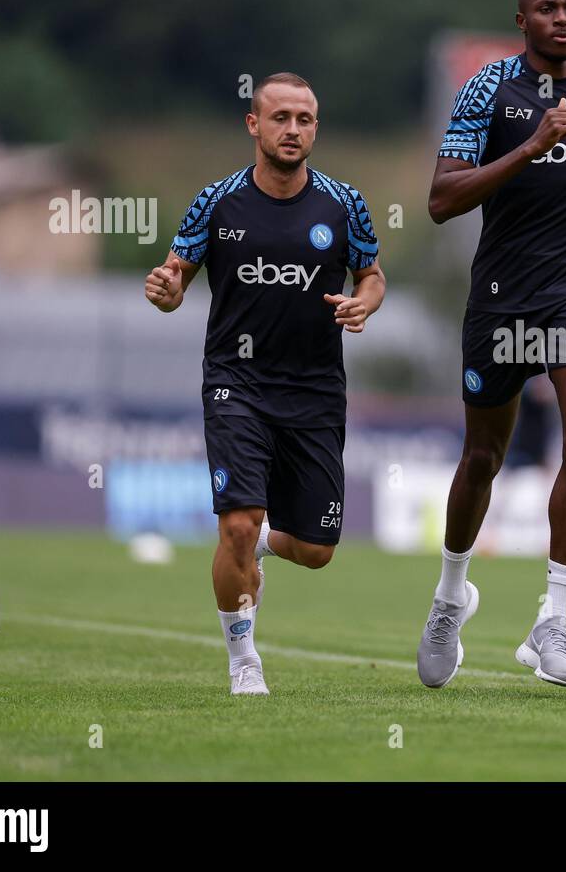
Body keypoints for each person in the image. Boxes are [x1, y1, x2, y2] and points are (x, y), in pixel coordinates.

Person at [417, 0, 566, 690]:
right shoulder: (490, 89)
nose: (563, 19)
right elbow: (442, 199)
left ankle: (553, 621)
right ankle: (452, 595)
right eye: (547, 9)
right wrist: (529, 148)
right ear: (522, 20)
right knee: (484, 457)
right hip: (502, 298)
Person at [144, 72, 385, 696]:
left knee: (316, 549)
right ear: (254, 124)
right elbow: (174, 280)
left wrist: (365, 303)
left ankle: (263, 556)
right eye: (280, 118)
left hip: (314, 390)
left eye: (304, 119)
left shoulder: (344, 203)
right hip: (236, 383)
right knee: (238, 525)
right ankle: (243, 656)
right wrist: (166, 290)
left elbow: (373, 275)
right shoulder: (216, 202)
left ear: (315, 128)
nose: (293, 129)